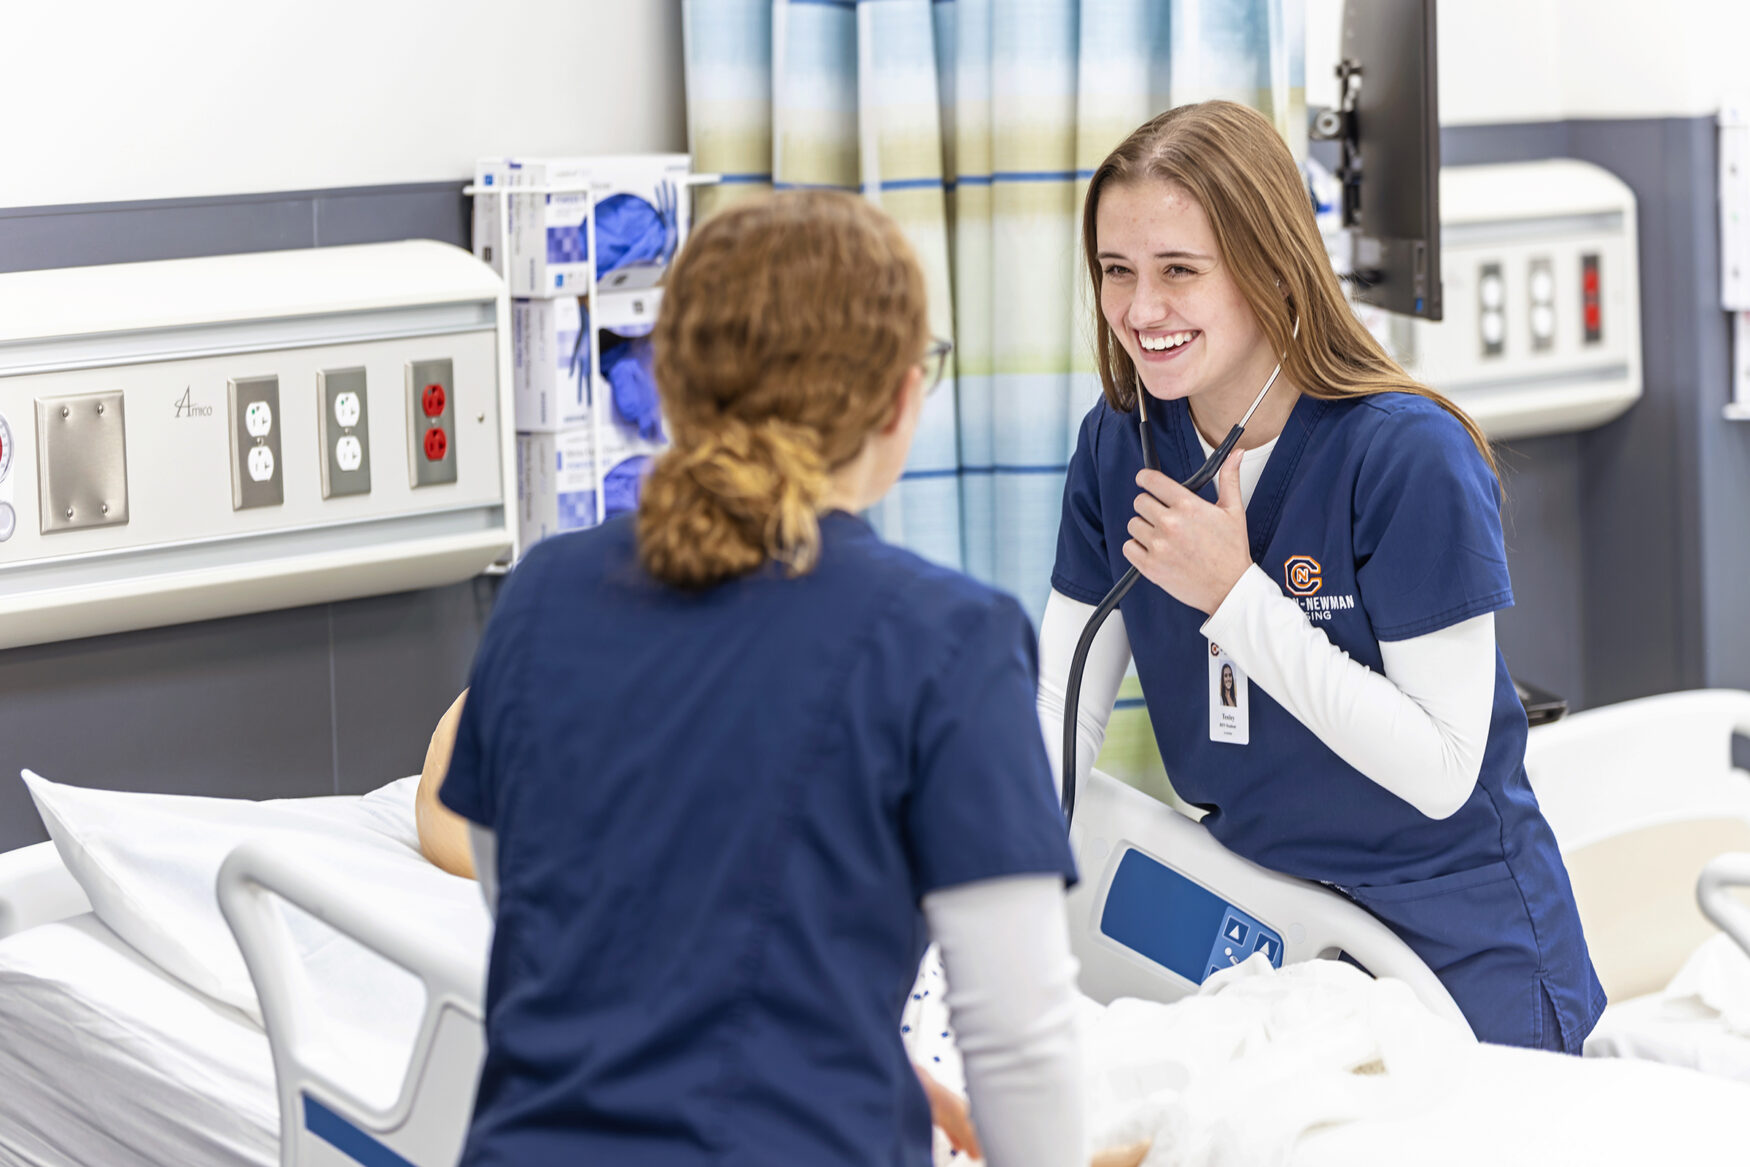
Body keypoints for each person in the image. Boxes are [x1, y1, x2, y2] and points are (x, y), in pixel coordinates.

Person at [432, 191, 1097, 1166]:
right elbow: (1020, 1040)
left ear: (673, 380)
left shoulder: (542, 596)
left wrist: (845, 1064)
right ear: (901, 399)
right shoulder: (947, 642)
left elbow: (548, 929)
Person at [1038, 101, 1606, 1052]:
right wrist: (976, 877)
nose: (1141, 311)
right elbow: (1062, 704)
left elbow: (1439, 772)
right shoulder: (1121, 445)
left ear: (1268, 265)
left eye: (1180, 270)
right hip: (1267, 938)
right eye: (1115, 271)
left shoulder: (1406, 456)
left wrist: (1235, 599)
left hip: (1457, 950)